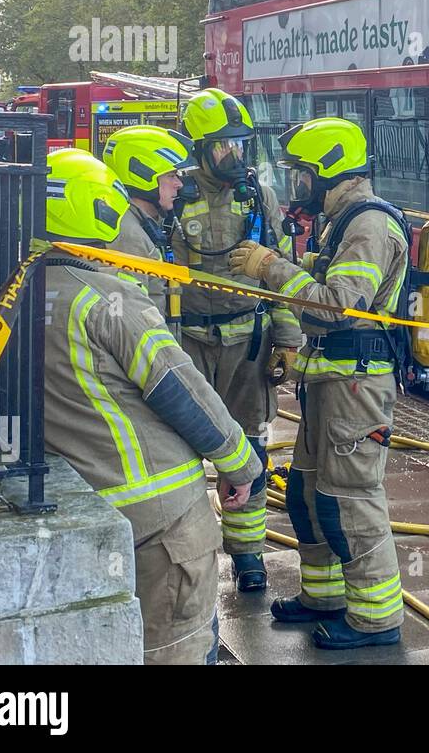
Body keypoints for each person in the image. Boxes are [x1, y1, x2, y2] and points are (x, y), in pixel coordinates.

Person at [41, 148, 263, 664]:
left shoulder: (15, 292)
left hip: (84, 507)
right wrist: (241, 462)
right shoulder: (104, 297)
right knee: (176, 650)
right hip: (160, 522)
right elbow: (179, 390)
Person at [228, 117, 407, 649]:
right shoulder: (342, 220)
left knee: (350, 499)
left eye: (301, 174)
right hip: (330, 385)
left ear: (328, 170)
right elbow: (325, 279)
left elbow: (333, 306)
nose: (295, 184)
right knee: (308, 496)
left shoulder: (369, 227)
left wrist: (271, 269)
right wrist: (283, 262)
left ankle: (376, 618)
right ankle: (325, 596)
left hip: (357, 389)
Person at [170, 89, 302, 593]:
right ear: (200, 148)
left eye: (241, 144)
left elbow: (279, 272)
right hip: (190, 345)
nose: (236, 155)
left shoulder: (257, 196)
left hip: (249, 347)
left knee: (249, 449)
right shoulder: (175, 198)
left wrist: (287, 341)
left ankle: (249, 557)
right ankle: (188, 557)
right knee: (182, 451)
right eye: (225, 146)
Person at [102, 125, 193, 336]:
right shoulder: (129, 237)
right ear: (143, 174)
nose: (179, 183)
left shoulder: (143, 223)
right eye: (171, 175)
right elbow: (132, 322)